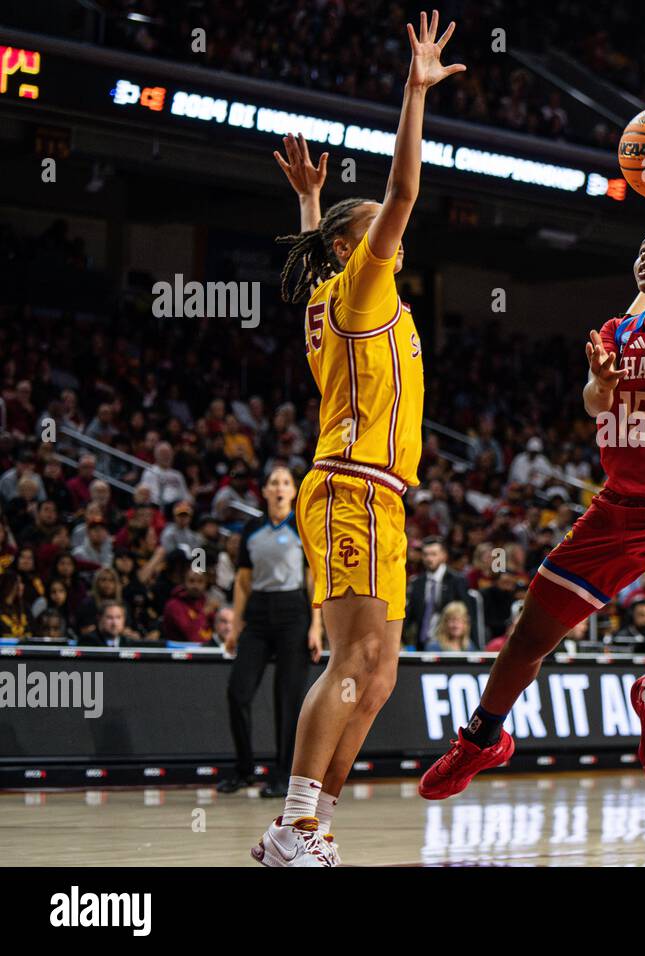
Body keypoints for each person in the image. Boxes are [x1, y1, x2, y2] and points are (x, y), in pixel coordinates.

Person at [419, 123, 645, 801]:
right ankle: (483, 736)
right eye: (642, 249)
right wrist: (603, 379)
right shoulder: (618, 329)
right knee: (526, 639)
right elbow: (595, 404)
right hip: (612, 511)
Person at [251, 10, 460, 868]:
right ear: (352, 245)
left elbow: (318, 250)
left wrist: (306, 197)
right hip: (352, 484)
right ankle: (289, 827)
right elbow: (403, 192)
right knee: (351, 662)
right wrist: (414, 93)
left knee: (376, 676)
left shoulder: (340, 293)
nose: (394, 237)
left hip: (377, 494)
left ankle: (313, 826)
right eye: (373, 230)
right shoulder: (361, 291)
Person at [220, 467, 323, 798]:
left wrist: (316, 626)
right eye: (273, 483)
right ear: (264, 491)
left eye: (285, 483)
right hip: (258, 613)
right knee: (238, 691)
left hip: (294, 612)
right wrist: (236, 626)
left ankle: (283, 776)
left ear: (294, 492)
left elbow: (312, 579)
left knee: (287, 699)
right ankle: (244, 769)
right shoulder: (252, 529)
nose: (279, 488)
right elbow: (243, 581)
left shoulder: (300, 527)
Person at [405, 537, 472, 649]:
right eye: (425, 554)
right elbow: (410, 616)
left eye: (433, 554)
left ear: (444, 556)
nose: (429, 558)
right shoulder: (416, 583)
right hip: (420, 644)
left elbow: (467, 614)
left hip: (447, 645)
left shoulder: (457, 581)